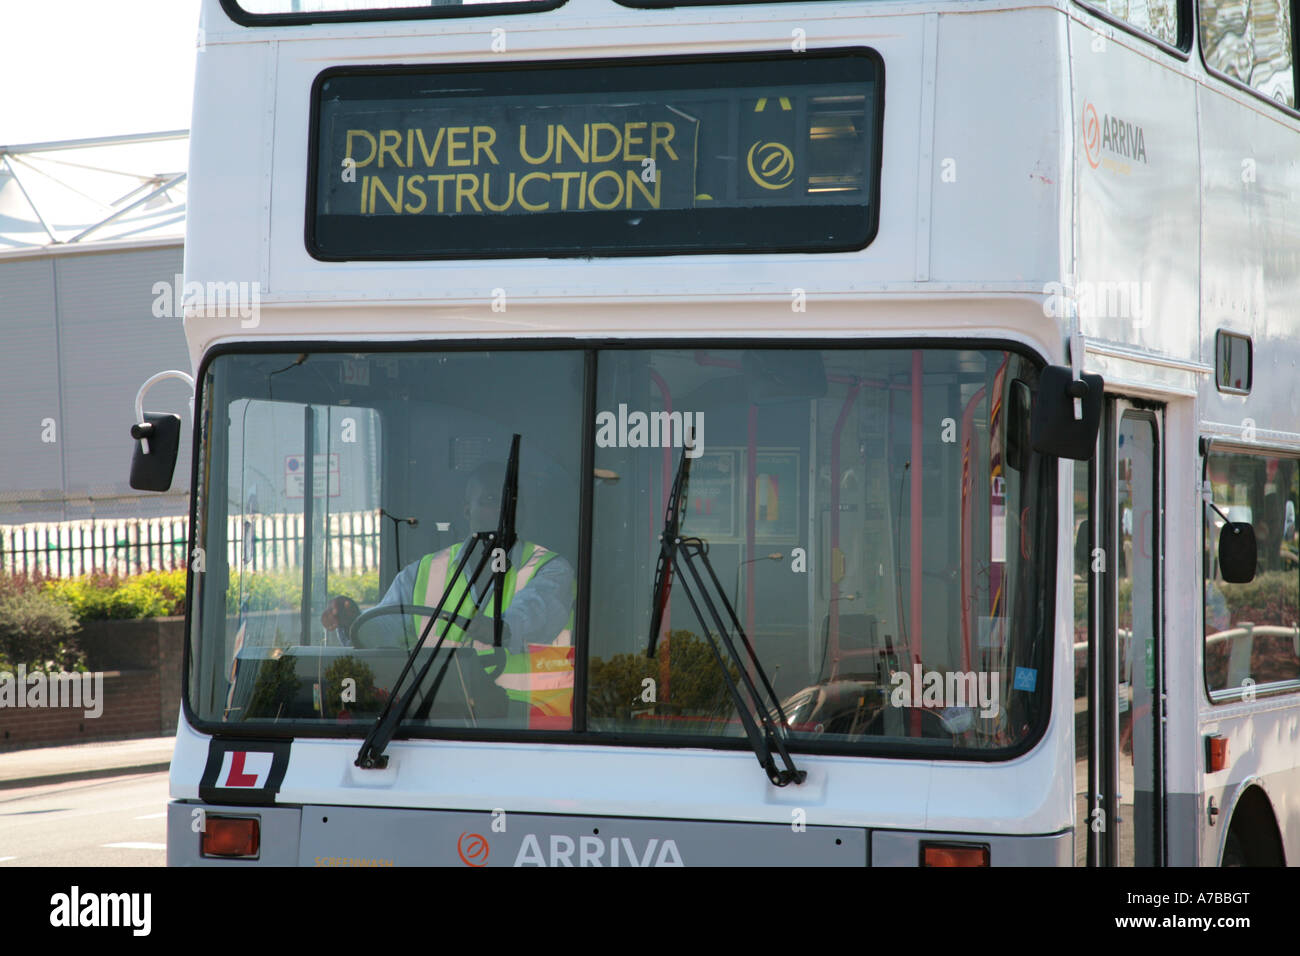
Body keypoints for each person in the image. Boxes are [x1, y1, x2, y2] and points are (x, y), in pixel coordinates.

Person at [323, 461, 576, 727]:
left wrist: (500, 629)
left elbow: (537, 610)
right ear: (467, 509)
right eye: (490, 499)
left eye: (513, 501)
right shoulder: (419, 573)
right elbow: (382, 635)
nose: (504, 509)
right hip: (437, 724)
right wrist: (351, 621)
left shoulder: (550, 569)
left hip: (530, 729)